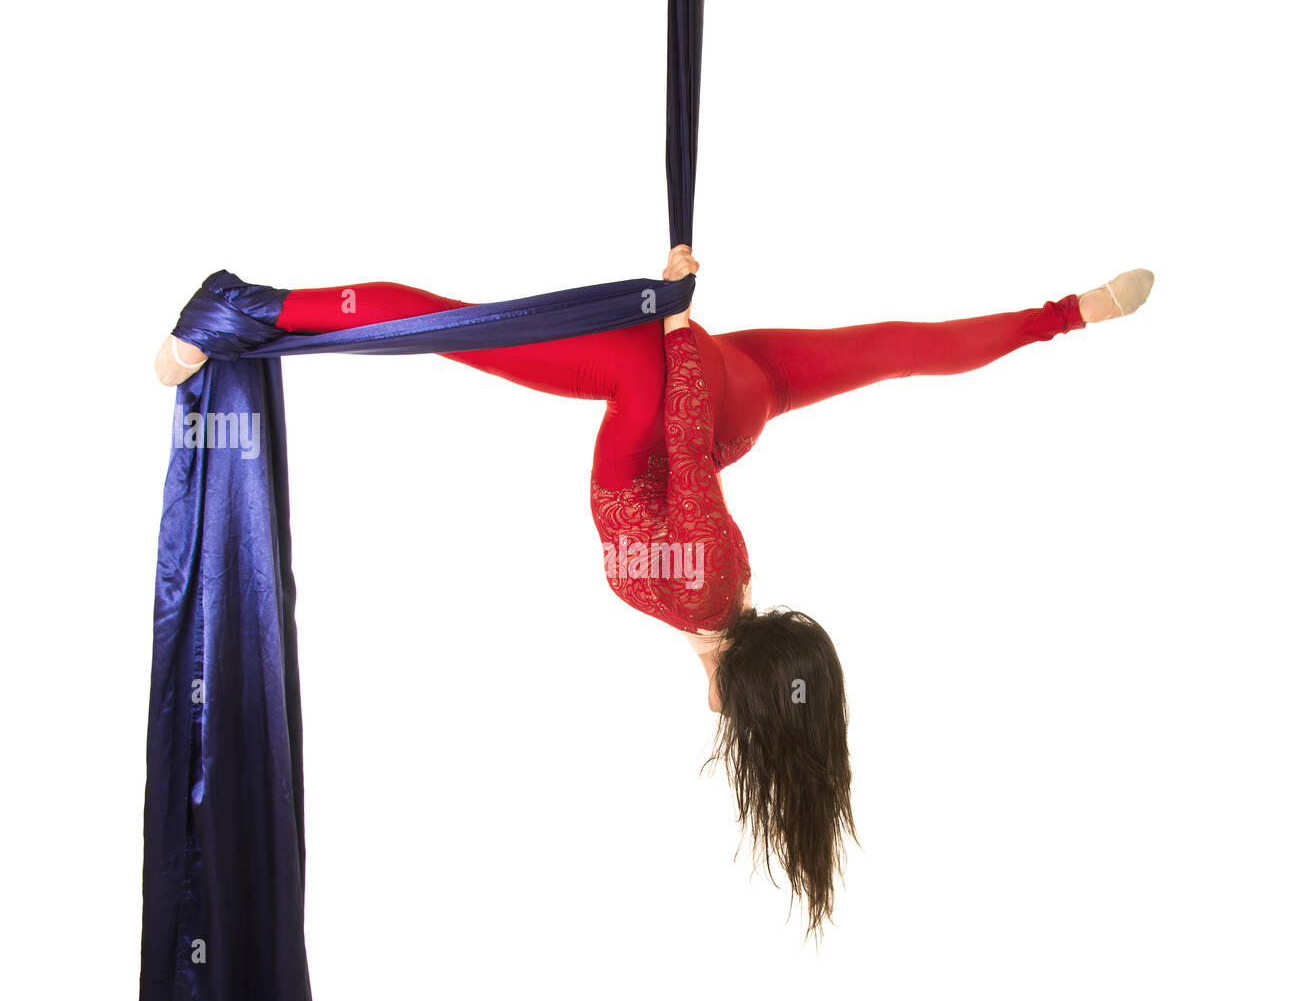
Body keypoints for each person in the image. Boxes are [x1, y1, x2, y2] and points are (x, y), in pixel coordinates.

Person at [155, 249, 1154, 934]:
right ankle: (240, 306)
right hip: (653, 384)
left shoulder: (726, 598)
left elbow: (747, 432)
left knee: (888, 351)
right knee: (442, 323)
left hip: (730, 400)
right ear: (725, 698)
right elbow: (673, 447)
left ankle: (1070, 313)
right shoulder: (693, 593)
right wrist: (665, 321)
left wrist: (685, 349)